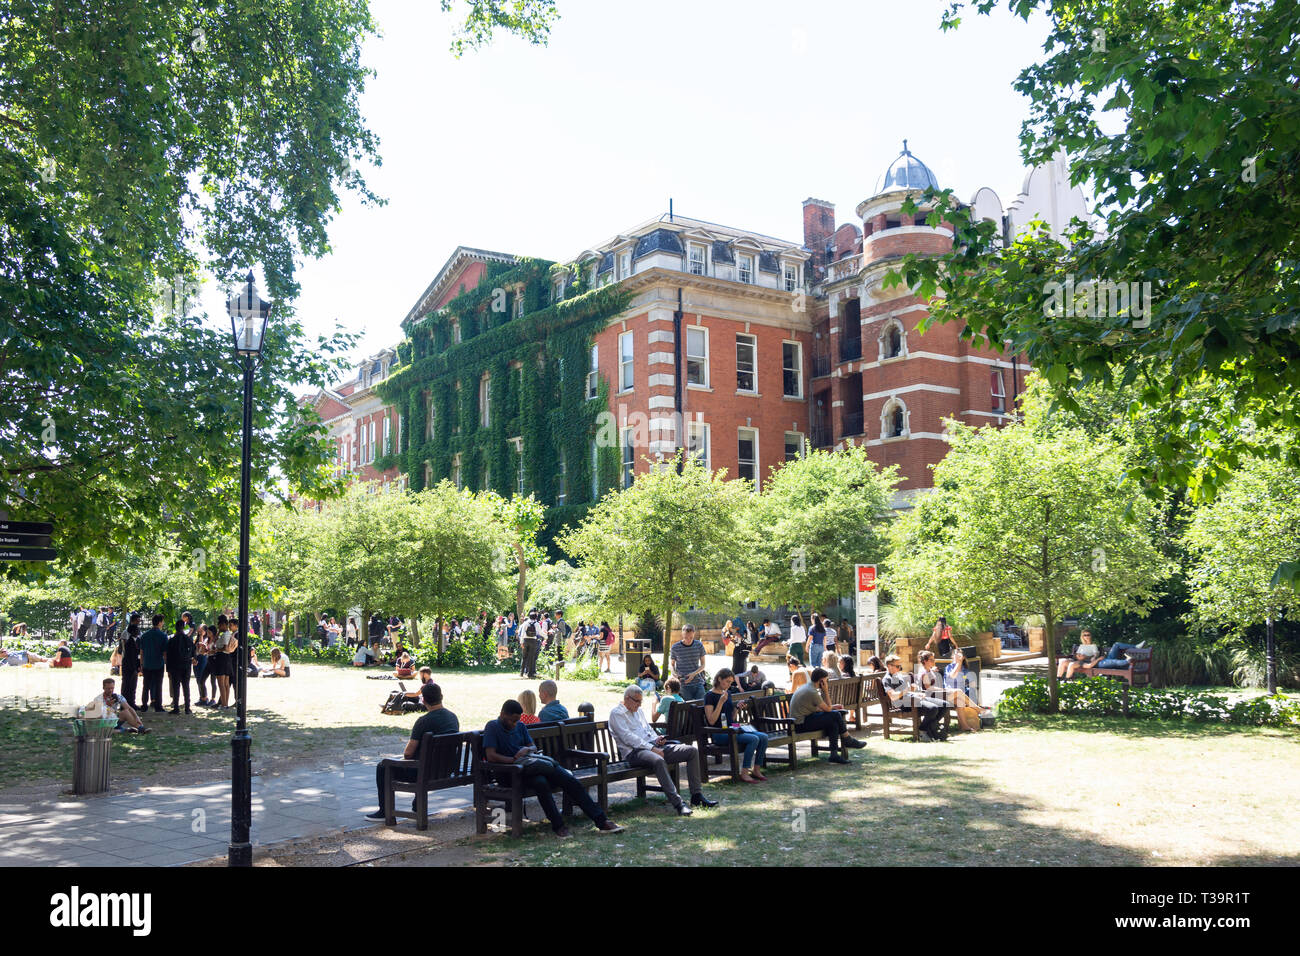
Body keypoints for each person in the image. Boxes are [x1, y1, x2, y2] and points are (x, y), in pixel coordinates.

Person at [479, 700, 624, 837]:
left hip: (530, 767)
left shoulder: (521, 726)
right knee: (544, 782)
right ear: (503, 714)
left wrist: (525, 750)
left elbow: (533, 746)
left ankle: (601, 820)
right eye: (512, 720)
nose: (515, 724)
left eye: (517, 720)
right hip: (509, 774)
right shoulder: (493, 727)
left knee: (567, 780)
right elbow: (491, 756)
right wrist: (513, 760)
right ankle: (559, 826)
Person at [610, 685, 718, 815]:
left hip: (653, 746)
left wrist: (657, 739)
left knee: (691, 751)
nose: (639, 705)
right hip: (634, 752)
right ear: (627, 698)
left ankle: (696, 796)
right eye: (637, 701)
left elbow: (647, 730)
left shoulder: (638, 711)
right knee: (658, 760)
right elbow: (628, 738)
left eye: (641, 701)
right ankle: (678, 804)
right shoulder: (617, 714)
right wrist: (652, 748)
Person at [365, 682, 460, 822]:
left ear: (423, 700)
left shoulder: (423, 721)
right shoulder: (453, 717)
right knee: (424, 759)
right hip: (446, 769)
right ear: (441, 697)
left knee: (383, 766)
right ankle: (417, 805)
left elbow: (408, 754)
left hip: (424, 772)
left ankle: (385, 811)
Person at [789, 667, 865, 764]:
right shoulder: (812, 692)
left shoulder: (808, 687)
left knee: (833, 721)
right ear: (821, 681)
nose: (827, 682)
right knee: (836, 715)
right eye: (826, 680)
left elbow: (820, 707)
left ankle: (834, 755)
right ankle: (847, 739)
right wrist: (826, 691)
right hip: (800, 724)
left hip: (803, 720)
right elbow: (828, 709)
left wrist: (834, 707)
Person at [703, 668, 768, 783]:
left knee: (763, 736)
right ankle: (744, 772)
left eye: (731, 682)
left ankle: (756, 769)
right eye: (727, 681)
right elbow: (711, 721)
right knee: (753, 739)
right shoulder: (709, 696)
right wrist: (720, 702)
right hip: (719, 733)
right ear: (719, 679)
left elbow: (731, 719)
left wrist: (737, 708)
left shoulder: (727, 693)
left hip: (731, 727)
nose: (729, 685)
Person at [881, 655, 946, 741]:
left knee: (944, 704)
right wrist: (908, 690)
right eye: (897, 666)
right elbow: (893, 696)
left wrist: (916, 693)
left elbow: (906, 692)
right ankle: (923, 730)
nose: (899, 668)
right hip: (905, 704)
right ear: (889, 666)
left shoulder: (897, 676)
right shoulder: (887, 679)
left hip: (913, 699)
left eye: (900, 666)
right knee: (933, 708)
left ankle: (930, 728)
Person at [941, 647, 987, 731]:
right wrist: (959, 663)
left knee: (960, 701)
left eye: (959, 656)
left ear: (963, 657)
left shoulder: (964, 670)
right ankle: (978, 709)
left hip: (959, 697)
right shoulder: (949, 667)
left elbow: (970, 683)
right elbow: (952, 675)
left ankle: (964, 726)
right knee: (958, 691)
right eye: (955, 655)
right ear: (952, 657)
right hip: (947, 694)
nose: (957, 657)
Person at [83, 678, 150, 734]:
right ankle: (124, 730)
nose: (110, 690)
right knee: (101, 731)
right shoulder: (98, 699)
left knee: (126, 712)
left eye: (112, 688)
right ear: (103, 688)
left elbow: (129, 708)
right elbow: (100, 716)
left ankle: (141, 729)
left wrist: (136, 717)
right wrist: (108, 706)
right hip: (103, 723)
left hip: (114, 721)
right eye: (108, 688)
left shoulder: (117, 697)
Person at [669, 623, 708, 702]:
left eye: (691, 637)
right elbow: (671, 664)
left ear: (694, 634)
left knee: (702, 705)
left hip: (698, 682)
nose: (688, 640)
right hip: (683, 684)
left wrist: (693, 674)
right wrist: (674, 673)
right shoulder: (675, 647)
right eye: (686, 637)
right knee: (688, 707)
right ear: (682, 634)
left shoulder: (699, 645)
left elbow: (703, 665)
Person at [139, 614, 169, 714]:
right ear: (160, 622)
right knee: (158, 685)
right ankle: (158, 706)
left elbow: (141, 652)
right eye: (162, 621)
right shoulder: (163, 636)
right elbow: (165, 652)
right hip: (158, 664)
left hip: (147, 664)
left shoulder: (144, 635)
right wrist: (166, 664)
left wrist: (141, 664)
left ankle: (144, 705)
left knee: (146, 685)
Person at [165, 618, 194, 714]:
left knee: (176, 687)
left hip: (175, 666)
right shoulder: (188, 639)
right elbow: (193, 651)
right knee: (186, 687)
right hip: (186, 665)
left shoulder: (172, 640)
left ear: (176, 628)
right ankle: (187, 707)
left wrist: (168, 669)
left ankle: (176, 707)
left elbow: (168, 656)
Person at [118, 614, 142, 708]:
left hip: (133, 664)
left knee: (132, 685)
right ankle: (125, 704)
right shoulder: (129, 641)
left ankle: (131, 702)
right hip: (129, 664)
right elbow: (128, 653)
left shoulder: (136, 640)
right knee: (127, 685)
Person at [519, 612, 541, 679]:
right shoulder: (536, 624)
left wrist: (521, 642)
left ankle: (522, 672)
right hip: (533, 641)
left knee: (524, 657)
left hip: (525, 640)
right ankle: (530, 673)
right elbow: (539, 632)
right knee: (531, 657)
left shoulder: (525, 623)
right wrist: (546, 636)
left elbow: (522, 633)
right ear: (535, 617)